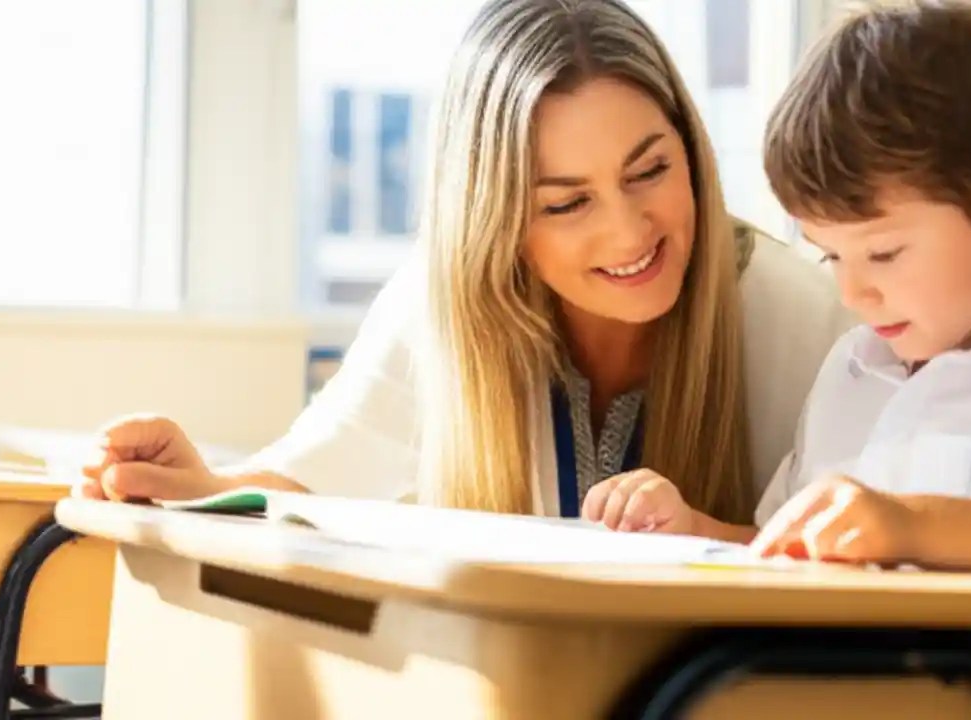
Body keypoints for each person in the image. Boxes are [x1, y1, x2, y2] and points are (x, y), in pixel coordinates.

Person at [595, 2, 971, 718]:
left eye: (883, 252)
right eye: (831, 255)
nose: (853, 290)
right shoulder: (854, 368)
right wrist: (697, 531)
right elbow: (793, 551)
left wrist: (912, 526)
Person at [74, 0, 852, 536]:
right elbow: (318, 481)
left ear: (692, 149)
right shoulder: (438, 301)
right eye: (565, 203)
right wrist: (197, 485)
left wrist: (698, 537)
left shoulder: (807, 314)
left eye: (650, 171)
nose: (628, 232)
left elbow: (870, 563)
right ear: (498, 222)